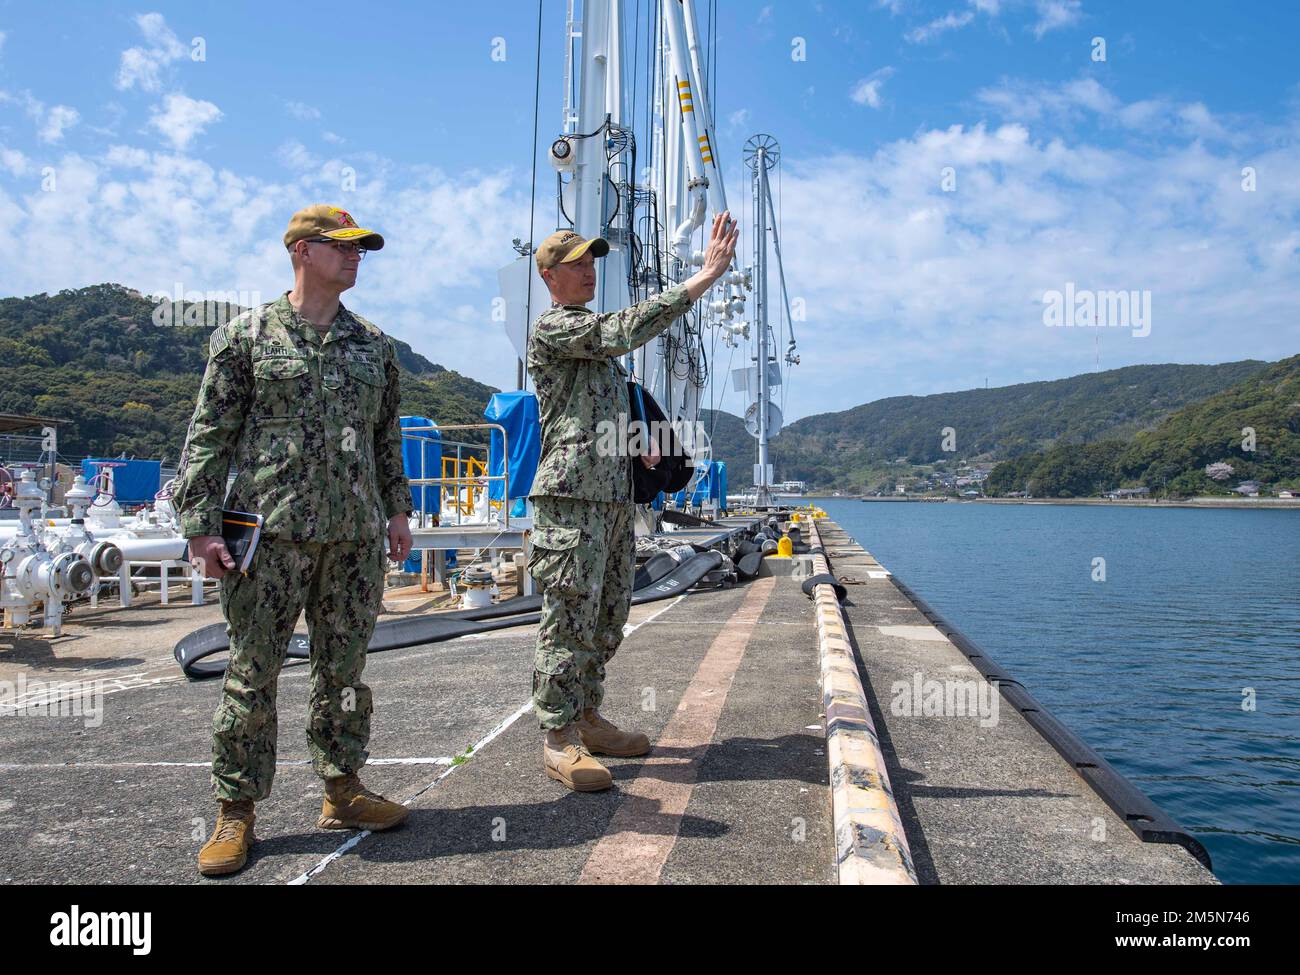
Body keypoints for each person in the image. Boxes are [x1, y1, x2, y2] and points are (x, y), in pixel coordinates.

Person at [173, 204, 415, 876]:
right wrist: (198, 526)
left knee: (343, 675)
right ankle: (236, 810)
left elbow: (385, 439)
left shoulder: (374, 346)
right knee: (252, 675)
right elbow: (209, 436)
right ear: (303, 251)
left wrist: (397, 510)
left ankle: (342, 789)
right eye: (343, 247)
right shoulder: (245, 338)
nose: (356, 256)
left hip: (353, 540)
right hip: (270, 538)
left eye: (361, 248)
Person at [527, 211, 739, 791]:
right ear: (550, 276)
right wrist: (700, 281)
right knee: (567, 618)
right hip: (570, 502)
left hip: (613, 501)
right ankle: (558, 736)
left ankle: (587, 716)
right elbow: (623, 329)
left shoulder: (600, 357)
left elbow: (598, 417)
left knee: (607, 615)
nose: (589, 270)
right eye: (577, 263)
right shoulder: (555, 329)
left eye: (593, 261)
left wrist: (638, 445)